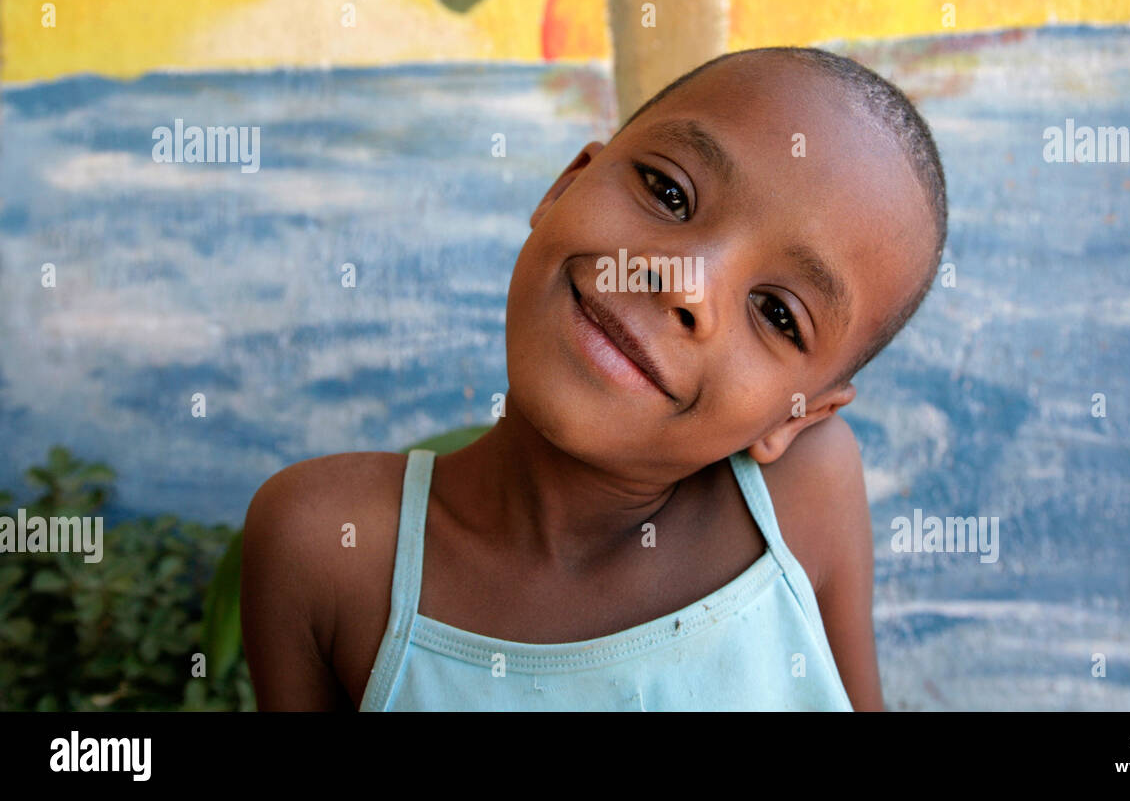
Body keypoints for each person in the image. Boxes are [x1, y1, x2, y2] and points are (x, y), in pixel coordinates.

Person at [241, 46, 948, 711]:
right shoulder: (333, 547)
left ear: (795, 418)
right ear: (566, 185)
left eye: (777, 313)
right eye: (669, 192)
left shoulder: (801, 497)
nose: (684, 283)